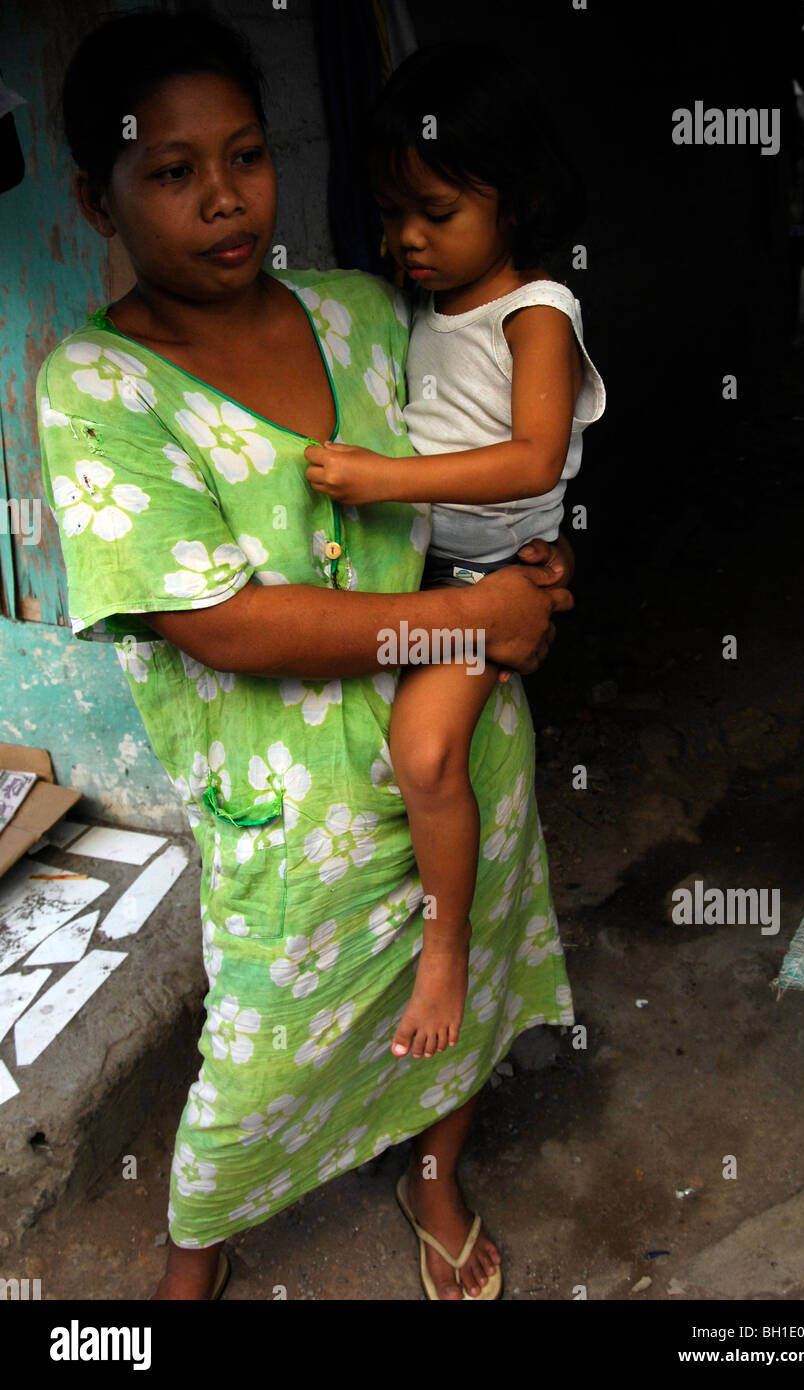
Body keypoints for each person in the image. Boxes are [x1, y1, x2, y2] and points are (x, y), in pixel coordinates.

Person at [37, 10, 575, 1302]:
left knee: (474, 965)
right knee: (262, 1053)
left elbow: (503, 414)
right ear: (95, 199)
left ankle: (434, 1172)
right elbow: (223, 620)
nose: (223, 200)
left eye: (245, 155)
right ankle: (196, 1248)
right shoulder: (96, 387)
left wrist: (540, 562)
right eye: (170, 172)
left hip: (460, 746)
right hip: (295, 818)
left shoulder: (358, 311)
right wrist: (475, 617)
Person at [305, 42, 605, 1064]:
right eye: (393, 214)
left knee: (424, 752)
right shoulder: (418, 310)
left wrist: (382, 481)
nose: (407, 239)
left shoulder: (536, 315)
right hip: (432, 570)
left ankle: (447, 949)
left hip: (487, 577)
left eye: (435, 213)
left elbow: (529, 457)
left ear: (513, 201)